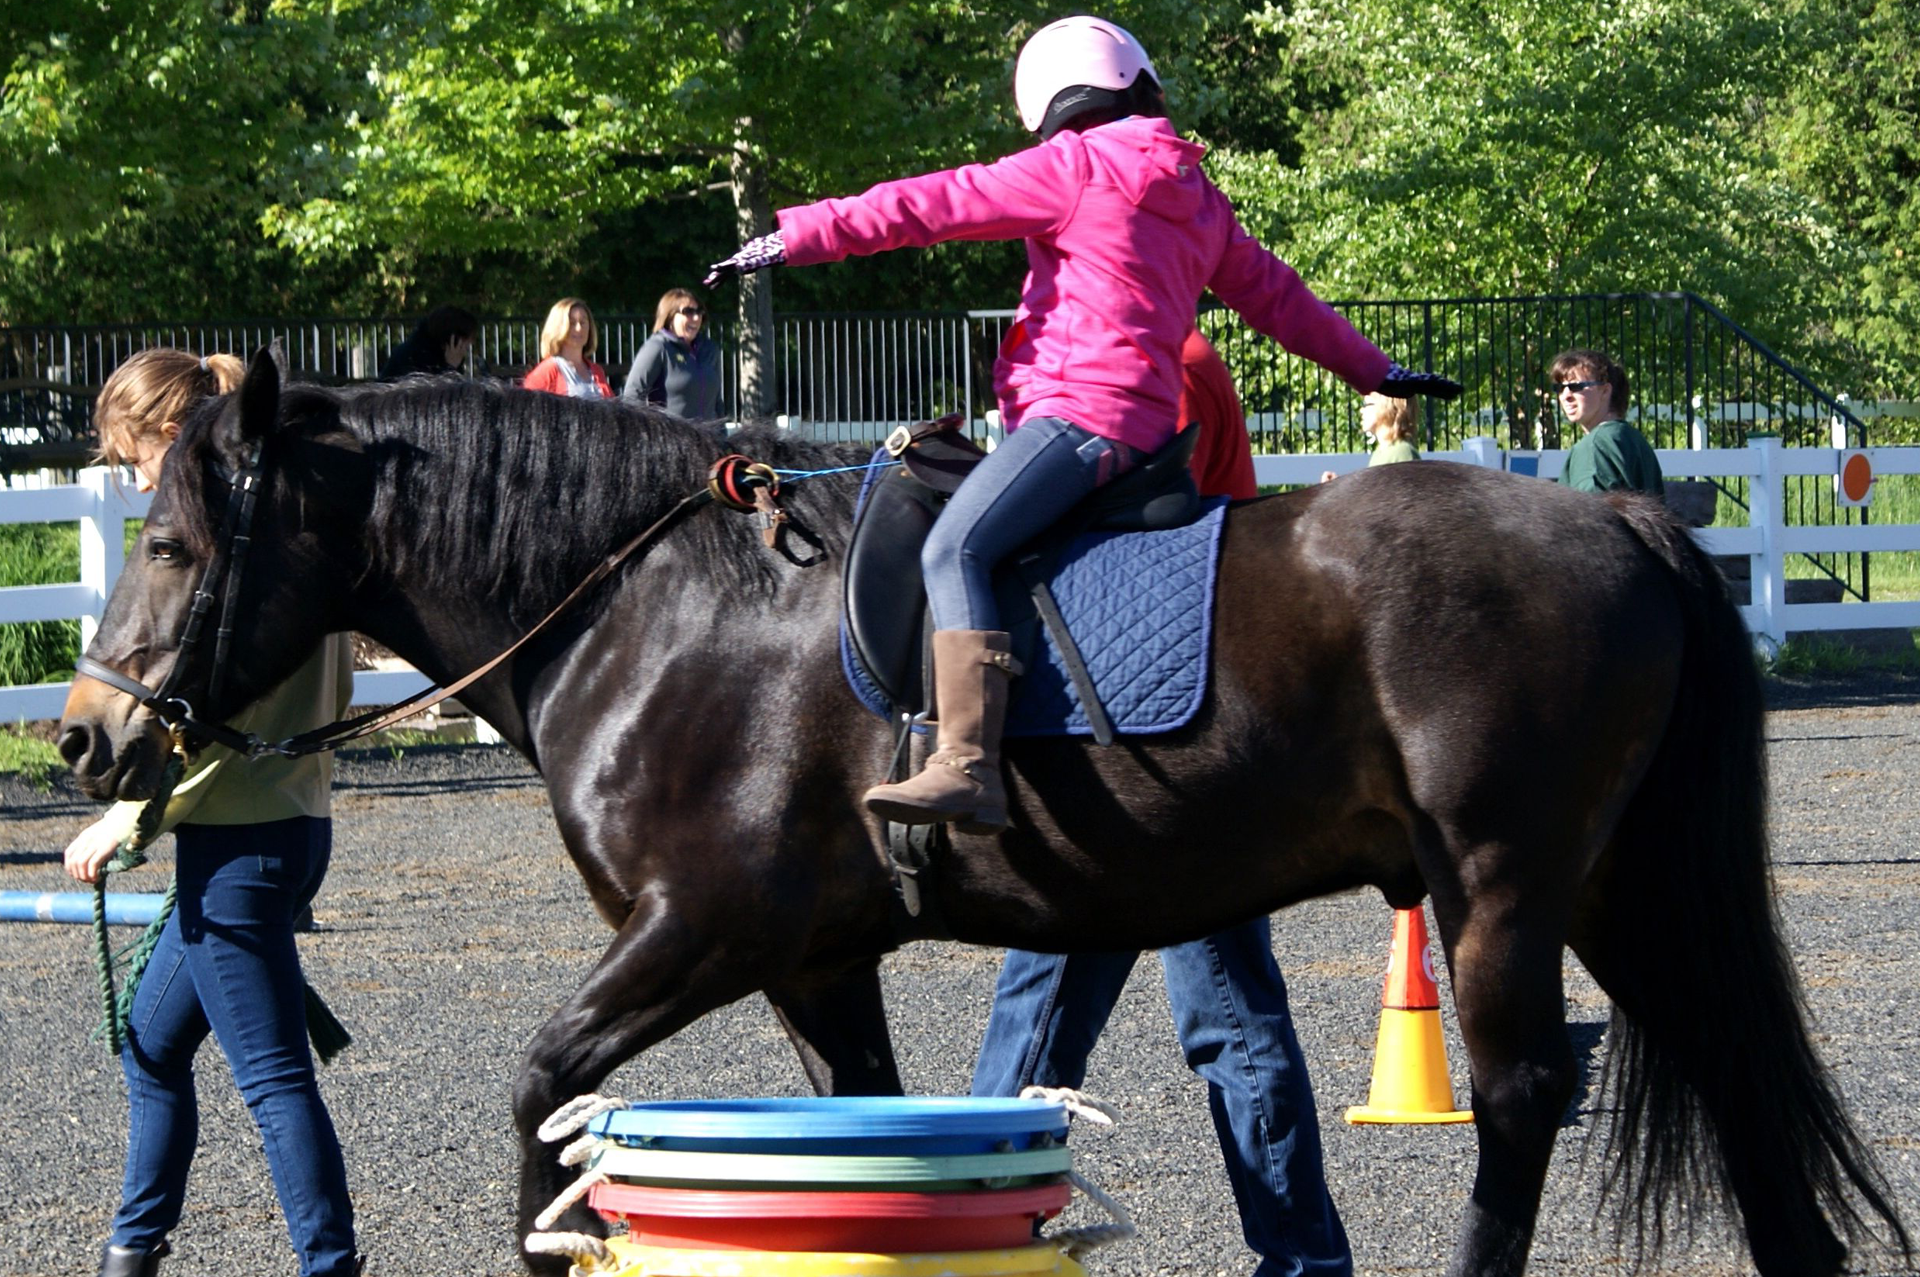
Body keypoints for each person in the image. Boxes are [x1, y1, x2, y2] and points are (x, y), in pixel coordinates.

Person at [704, 14, 1458, 833]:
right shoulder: (1198, 196)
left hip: (1079, 418)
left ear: (1052, 102)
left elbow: (930, 203)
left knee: (956, 547)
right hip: (1149, 432)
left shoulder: (1072, 167)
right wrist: (1376, 371)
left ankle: (965, 762)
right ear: (1139, 85)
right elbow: (1279, 297)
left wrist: (794, 236)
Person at [975, 333, 1350, 1277]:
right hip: (1185, 718)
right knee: (1221, 1014)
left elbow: (1123, 543)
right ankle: (1304, 1256)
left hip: (1146, 729)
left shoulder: (1147, 364)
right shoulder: (1178, 354)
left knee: (1057, 1003)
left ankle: (975, 1229)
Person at [64, 348, 360, 1277]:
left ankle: (330, 1265)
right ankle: (131, 1249)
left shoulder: (230, 558)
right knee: (150, 1046)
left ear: (170, 430)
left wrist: (127, 818)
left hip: (239, 843)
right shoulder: (280, 535)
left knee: (273, 1080)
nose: (137, 481)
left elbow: (224, 731)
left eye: (135, 457)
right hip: (290, 827)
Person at [1550, 347, 1663, 496]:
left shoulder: (1595, 445)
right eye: (1559, 388)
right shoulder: (1635, 440)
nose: (1565, 396)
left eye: (1576, 386)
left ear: (1605, 391)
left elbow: (1591, 508)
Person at [621, 288, 723, 420]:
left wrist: (722, 429)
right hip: (670, 432)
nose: (696, 317)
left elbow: (717, 401)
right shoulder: (657, 347)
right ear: (670, 317)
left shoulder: (710, 349)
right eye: (688, 312)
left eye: (699, 312)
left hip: (709, 432)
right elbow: (632, 395)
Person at [521, 297, 612, 398]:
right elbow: (525, 404)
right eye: (572, 323)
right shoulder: (547, 371)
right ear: (558, 328)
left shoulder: (597, 371)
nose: (579, 328)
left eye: (583, 322)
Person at [377, 304, 477, 381]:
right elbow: (434, 396)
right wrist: (450, 369)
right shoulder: (414, 358)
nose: (469, 345)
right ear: (454, 340)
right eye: (467, 341)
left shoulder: (434, 353)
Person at [1363, 391, 1420, 465]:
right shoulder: (1378, 454)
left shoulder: (1402, 453)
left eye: (1367, 404)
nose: (1362, 410)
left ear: (1387, 406)